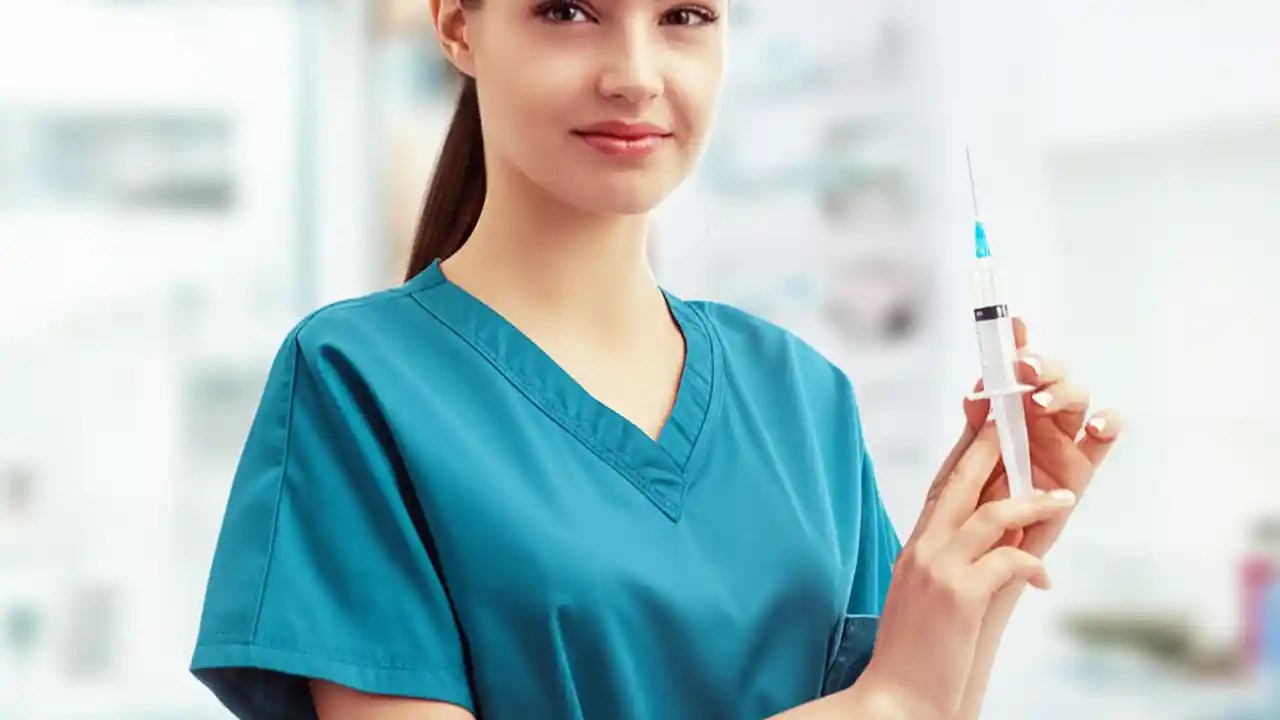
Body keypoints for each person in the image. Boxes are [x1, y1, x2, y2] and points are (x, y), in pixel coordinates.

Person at [189, 1, 1122, 718]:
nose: (635, 76)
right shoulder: (358, 381)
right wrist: (886, 701)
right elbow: (886, 706)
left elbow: (919, 707)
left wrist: (978, 575)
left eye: (684, 16)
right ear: (457, 25)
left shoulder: (799, 395)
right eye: (567, 12)